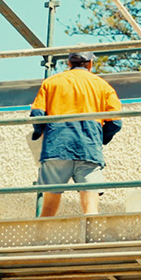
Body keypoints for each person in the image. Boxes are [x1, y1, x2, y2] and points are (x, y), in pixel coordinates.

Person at [30, 51, 122, 217]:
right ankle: (90, 240)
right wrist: (100, 139)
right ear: (90, 64)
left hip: (56, 147)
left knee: (48, 208)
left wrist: (39, 134)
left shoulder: (51, 83)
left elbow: (37, 115)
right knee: (91, 209)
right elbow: (115, 122)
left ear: (68, 63)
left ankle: (41, 239)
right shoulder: (102, 86)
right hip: (88, 148)